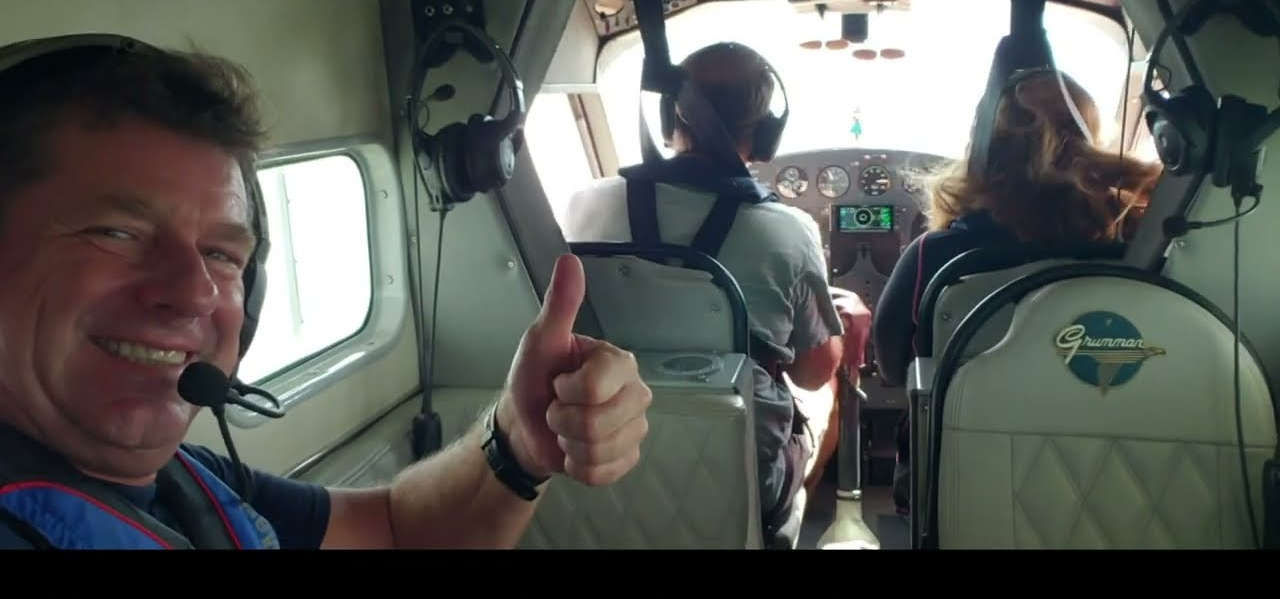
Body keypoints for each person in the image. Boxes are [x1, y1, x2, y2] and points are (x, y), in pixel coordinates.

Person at [0, 34, 653, 549]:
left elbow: (397, 532)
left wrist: (515, 441)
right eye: (116, 231)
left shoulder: (181, 478)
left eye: (223, 255)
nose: (196, 292)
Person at [561, 41, 869, 540]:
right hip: (738, 461)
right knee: (828, 390)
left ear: (669, 116)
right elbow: (811, 374)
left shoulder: (582, 204)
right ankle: (774, 521)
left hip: (599, 440)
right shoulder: (786, 230)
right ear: (767, 134)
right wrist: (845, 326)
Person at [872, 67, 1162, 511]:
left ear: (984, 149)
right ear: (1089, 139)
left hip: (961, 488)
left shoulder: (933, 256)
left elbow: (893, 370)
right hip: (1115, 472)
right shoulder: (1139, 248)